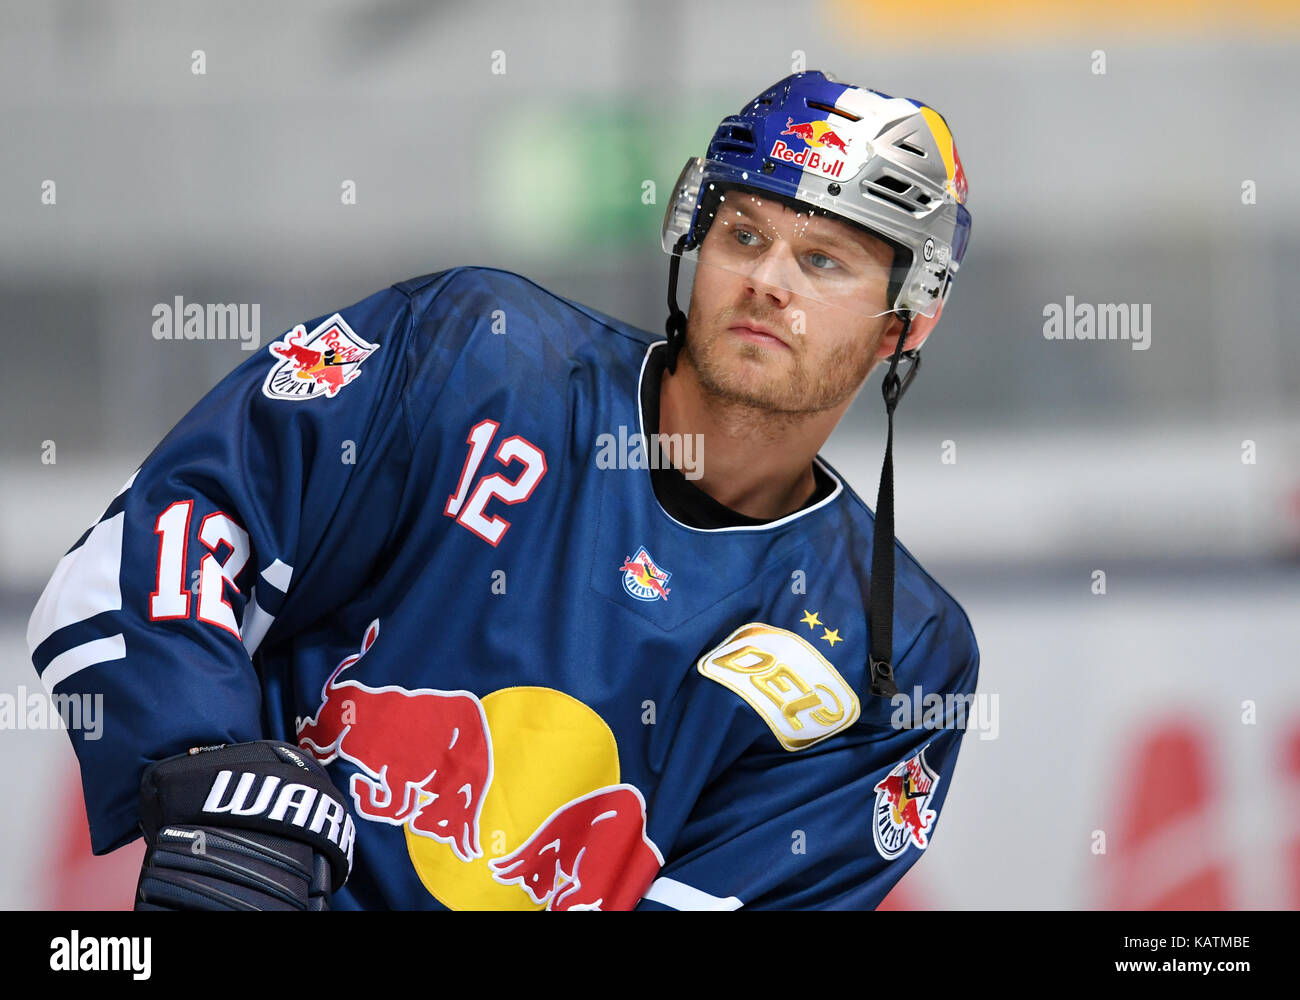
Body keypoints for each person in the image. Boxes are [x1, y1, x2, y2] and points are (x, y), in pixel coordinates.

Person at [27, 69, 978, 910]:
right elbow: (165, 539)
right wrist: (206, 771)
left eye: (822, 261)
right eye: (743, 234)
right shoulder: (476, 358)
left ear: (907, 323)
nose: (768, 280)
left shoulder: (899, 649)